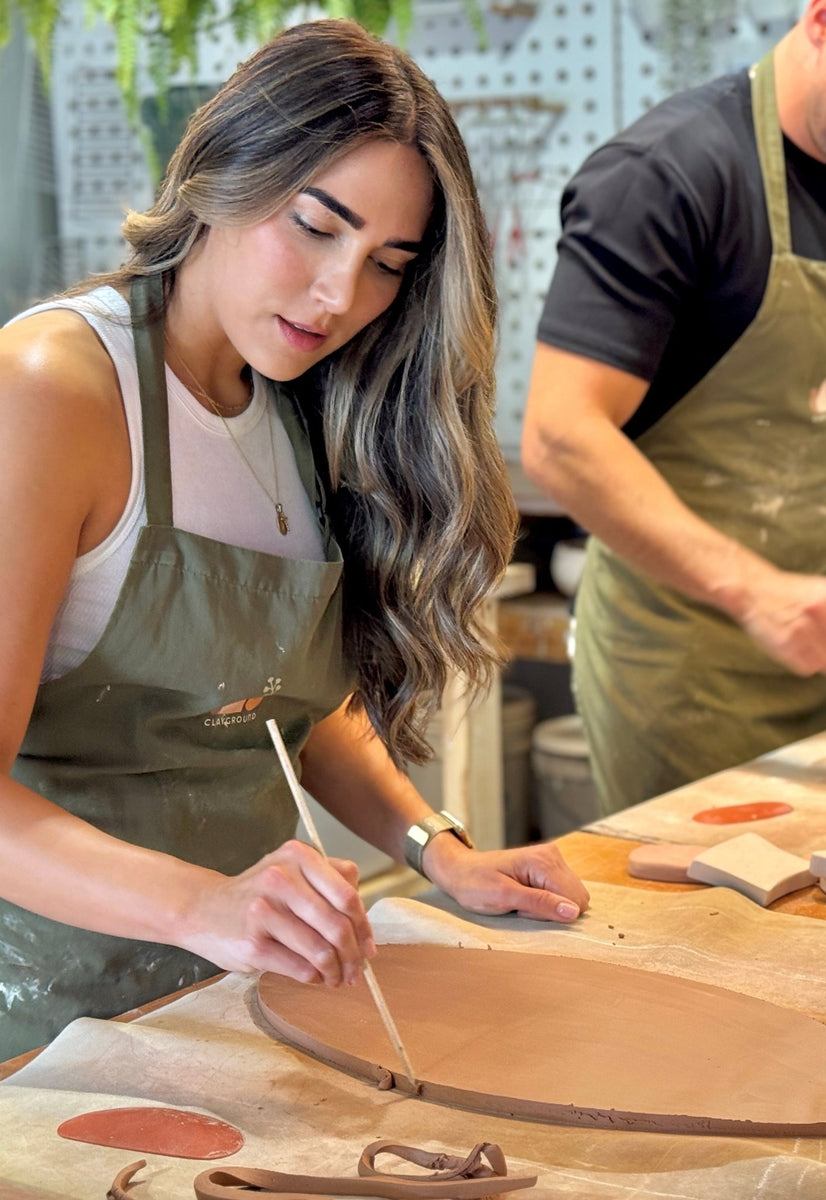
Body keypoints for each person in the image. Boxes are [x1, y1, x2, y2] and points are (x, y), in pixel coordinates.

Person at [0, 19, 589, 1060]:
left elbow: (281, 702)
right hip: (48, 1024)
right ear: (224, 171)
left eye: (387, 265)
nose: (341, 296)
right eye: (316, 226)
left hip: (240, 1000)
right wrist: (206, 908)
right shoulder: (55, 390)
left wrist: (438, 849)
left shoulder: (299, 397)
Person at [522, 0, 826, 814]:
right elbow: (560, 435)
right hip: (678, 668)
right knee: (698, 928)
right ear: (824, 16)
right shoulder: (666, 175)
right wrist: (752, 591)